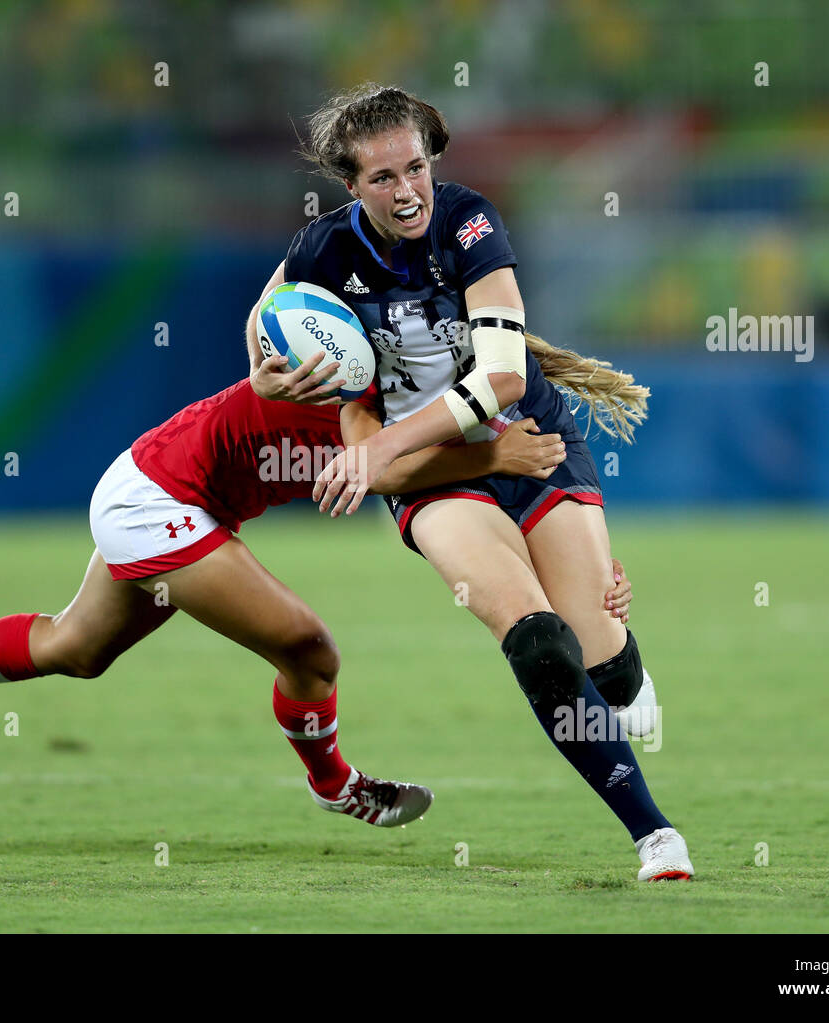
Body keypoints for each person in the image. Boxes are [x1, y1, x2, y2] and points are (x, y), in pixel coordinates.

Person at [0, 375, 633, 830]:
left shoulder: (409, 377)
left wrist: (577, 561)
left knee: (73, 649)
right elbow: (380, 467)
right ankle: (334, 783)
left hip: (159, 487)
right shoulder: (361, 373)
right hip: (159, 500)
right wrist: (502, 453)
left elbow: (439, 469)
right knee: (308, 647)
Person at [248, 84, 692, 881]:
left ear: (432, 161)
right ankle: (655, 836)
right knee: (539, 642)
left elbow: (500, 383)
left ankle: (624, 663)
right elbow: (264, 322)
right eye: (382, 179)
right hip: (434, 478)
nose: (406, 189)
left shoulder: (469, 221)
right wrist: (268, 375)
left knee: (603, 660)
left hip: (531, 442)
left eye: (415, 167)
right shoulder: (323, 250)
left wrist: (377, 452)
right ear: (351, 187)